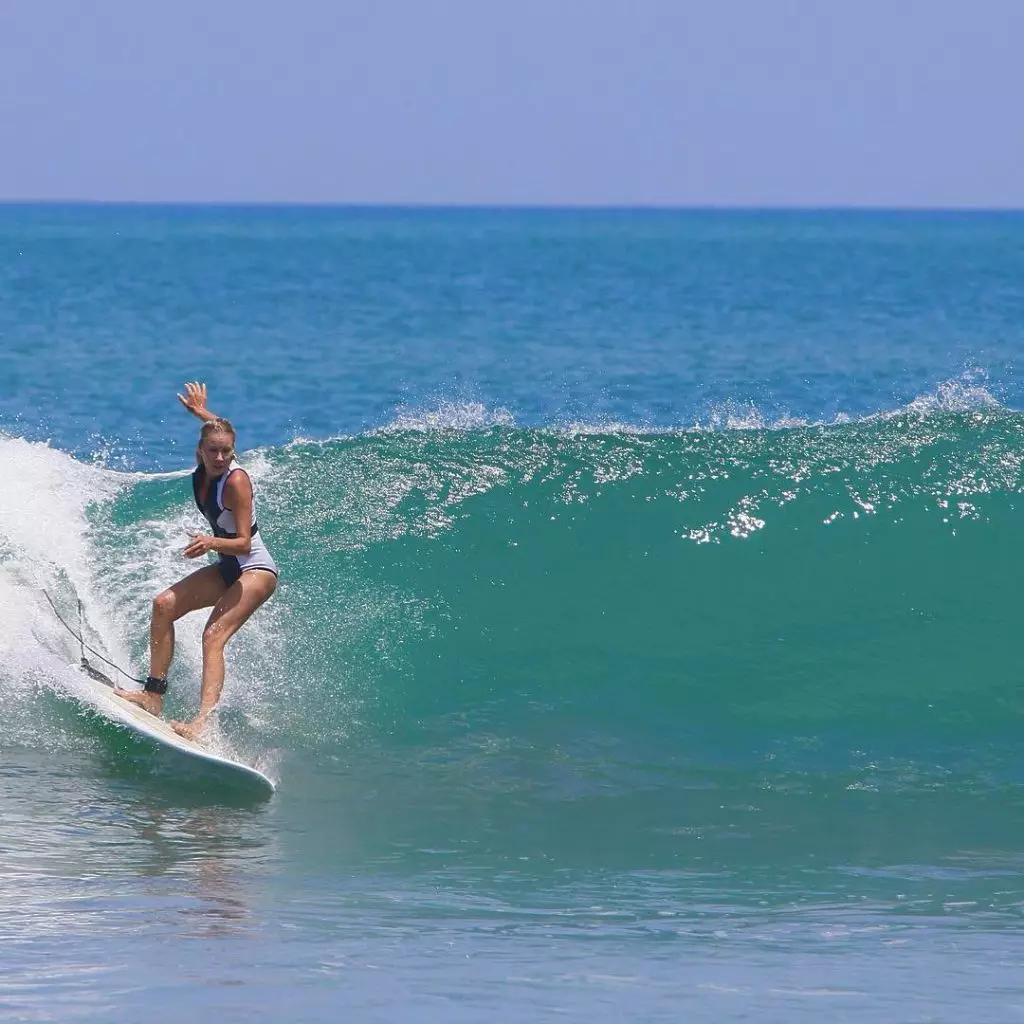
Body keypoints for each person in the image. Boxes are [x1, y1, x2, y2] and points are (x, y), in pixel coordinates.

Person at [115, 382, 278, 740]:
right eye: (213, 451)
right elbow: (220, 427)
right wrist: (202, 413)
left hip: (255, 568)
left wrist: (210, 542)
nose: (220, 457)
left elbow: (245, 543)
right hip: (228, 568)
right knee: (163, 605)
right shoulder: (204, 472)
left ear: (232, 453)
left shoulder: (235, 482)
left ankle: (202, 723)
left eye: (226, 452)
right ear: (200, 450)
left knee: (213, 635)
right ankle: (153, 696)